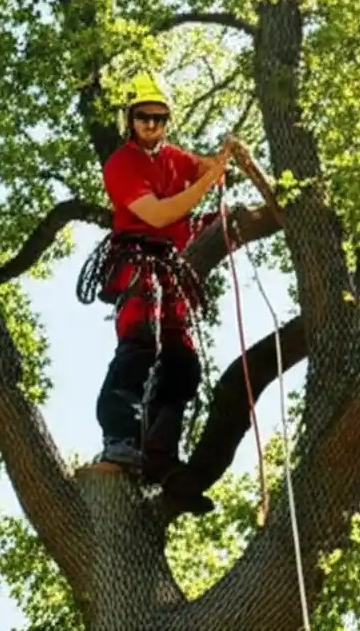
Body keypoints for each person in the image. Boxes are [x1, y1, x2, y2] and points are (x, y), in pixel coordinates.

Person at [81, 72, 260, 512]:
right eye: (143, 118)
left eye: (160, 119)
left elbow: (202, 168)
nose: (151, 126)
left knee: (182, 366)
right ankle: (120, 440)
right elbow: (158, 215)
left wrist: (223, 162)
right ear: (130, 119)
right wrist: (205, 183)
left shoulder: (174, 158)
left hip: (175, 279)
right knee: (141, 348)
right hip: (139, 271)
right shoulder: (122, 165)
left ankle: (160, 455)